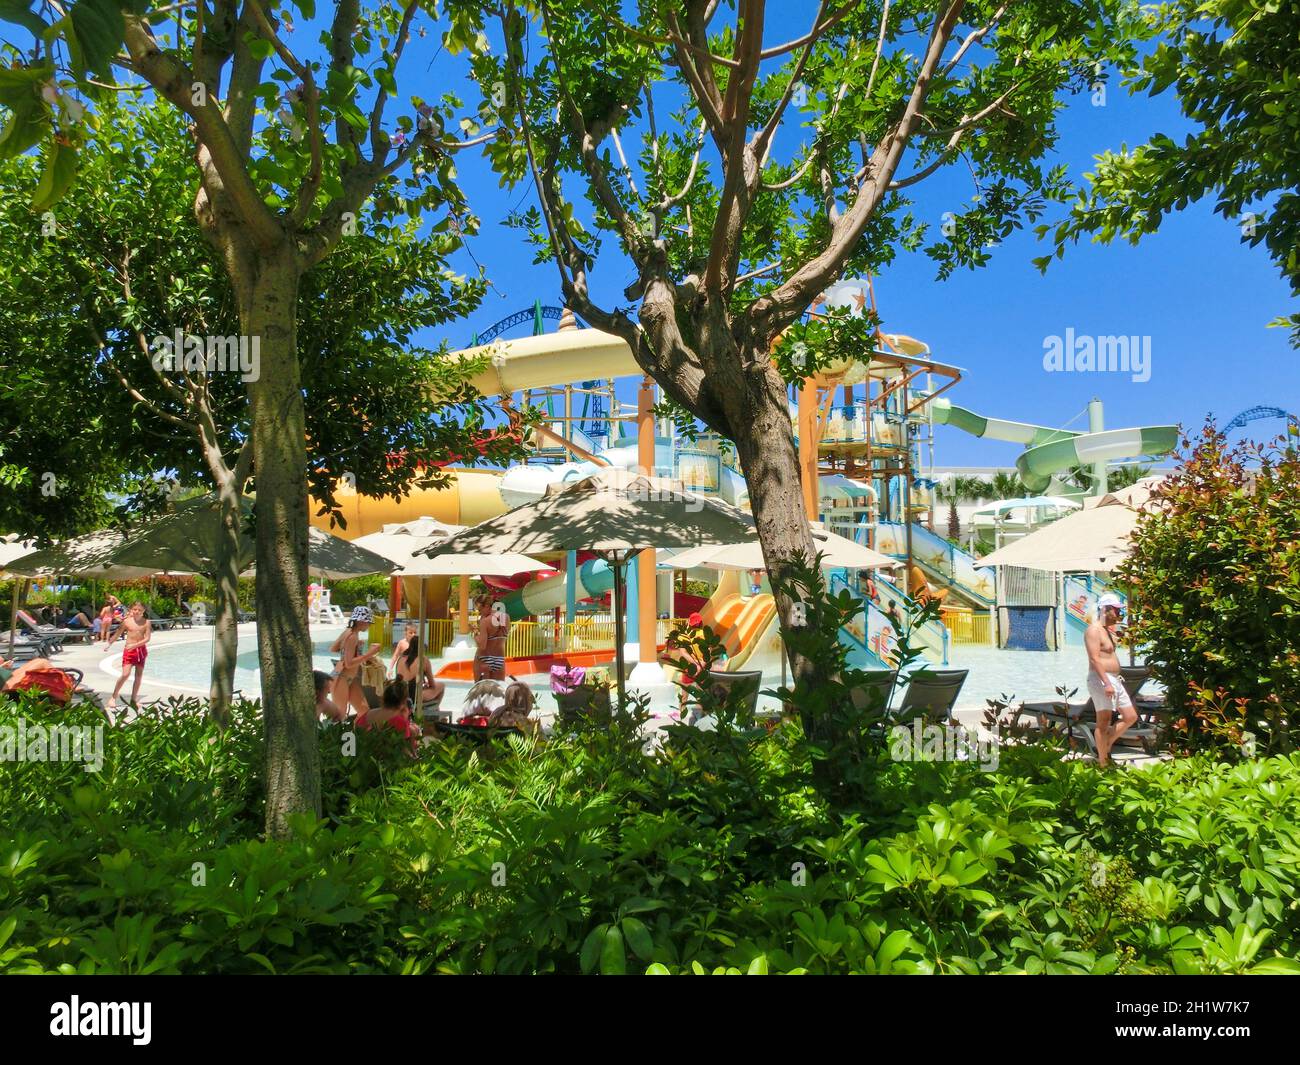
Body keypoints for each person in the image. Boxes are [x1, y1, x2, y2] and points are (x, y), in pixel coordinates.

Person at [1085, 593, 1137, 768]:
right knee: (1104, 721)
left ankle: (1105, 744)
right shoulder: (1093, 631)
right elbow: (1094, 659)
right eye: (1116, 611)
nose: (1119, 614)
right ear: (1105, 610)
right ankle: (1103, 762)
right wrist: (1106, 682)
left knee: (1130, 716)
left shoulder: (1108, 631)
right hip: (1101, 679)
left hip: (1115, 679)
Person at [330, 606, 381, 718]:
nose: (369, 625)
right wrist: (370, 653)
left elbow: (333, 648)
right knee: (340, 714)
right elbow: (348, 664)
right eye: (368, 622)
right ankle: (338, 735)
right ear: (361, 621)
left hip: (347, 678)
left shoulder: (348, 632)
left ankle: (354, 734)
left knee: (364, 710)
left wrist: (354, 648)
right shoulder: (352, 636)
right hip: (341, 678)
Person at [389, 622, 445, 713]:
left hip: (400, 694)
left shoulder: (400, 659)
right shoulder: (424, 660)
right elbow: (432, 684)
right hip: (415, 696)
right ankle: (433, 710)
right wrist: (427, 684)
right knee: (442, 686)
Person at [107, 602, 152, 709]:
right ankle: (113, 697)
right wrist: (109, 643)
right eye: (135, 609)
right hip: (129, 651)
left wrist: (135, 645)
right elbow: (118, 633)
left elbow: (147, 638)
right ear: (131, 610)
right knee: (125, 674)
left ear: (143, 611)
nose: (137, 612)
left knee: (138, 676)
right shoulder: (127, 622)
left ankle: (133, 699)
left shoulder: (146, 622)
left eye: (139, 610)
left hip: (140, 651)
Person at [357, 681, 421, 751]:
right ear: (403, 702)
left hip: (359, 754)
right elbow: (405, 752)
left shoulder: (368, 714)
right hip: (380, 757)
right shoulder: (399, 721)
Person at [474, 594, 509, 681]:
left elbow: (482, 645)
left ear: (486, 606)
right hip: (499, 659)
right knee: (498, 692)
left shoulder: (485, 621)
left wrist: (475, 633)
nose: (479, 612)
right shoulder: (506, 617)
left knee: (481, 692)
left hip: (484, 658)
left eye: (480, 609)